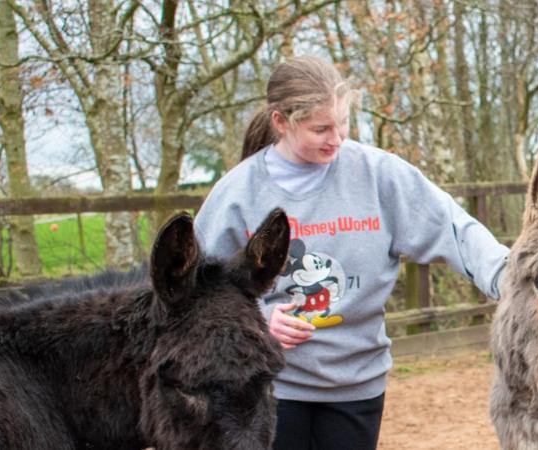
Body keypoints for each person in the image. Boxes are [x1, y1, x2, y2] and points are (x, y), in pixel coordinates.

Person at [194, 56, 509, 450]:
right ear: (281, 122)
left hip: (356, 385)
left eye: (342, 122)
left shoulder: (379, 176)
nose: (337, 138)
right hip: (269, 385)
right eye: (320, 129)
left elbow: (454, 229)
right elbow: (197, 292)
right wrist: (257, 320)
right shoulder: (238, 193)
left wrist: (509, 277)